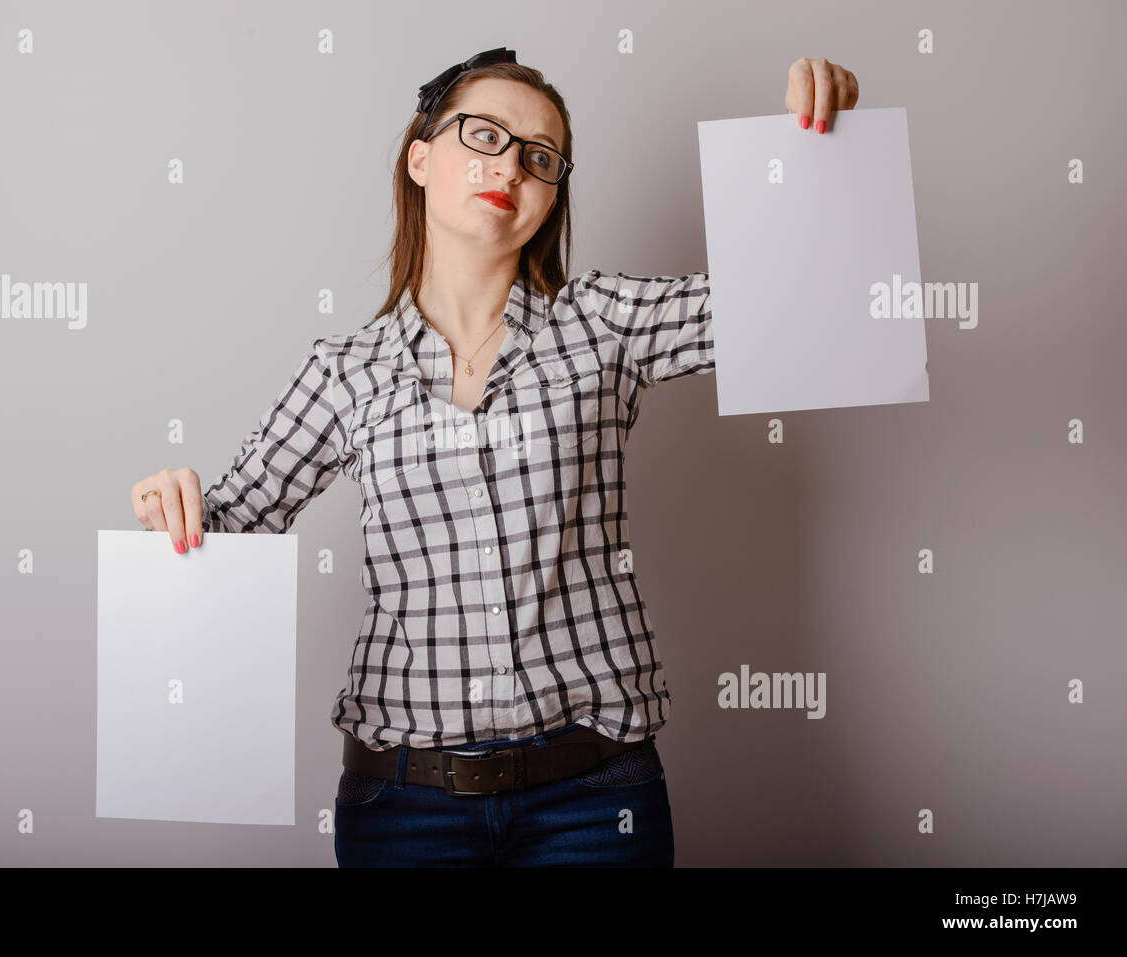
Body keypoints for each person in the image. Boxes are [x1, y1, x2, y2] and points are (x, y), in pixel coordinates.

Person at [131, 47, 859, 866]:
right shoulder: (343, 370)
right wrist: (176, 506)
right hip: (402, 805)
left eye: (539, 156)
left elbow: (805, 294)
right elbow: (229, 528)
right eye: (484, 135)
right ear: (420, 158)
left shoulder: (603, 323)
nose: (509, 165)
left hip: (596, 800)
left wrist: (817, 151)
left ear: (551, 197)